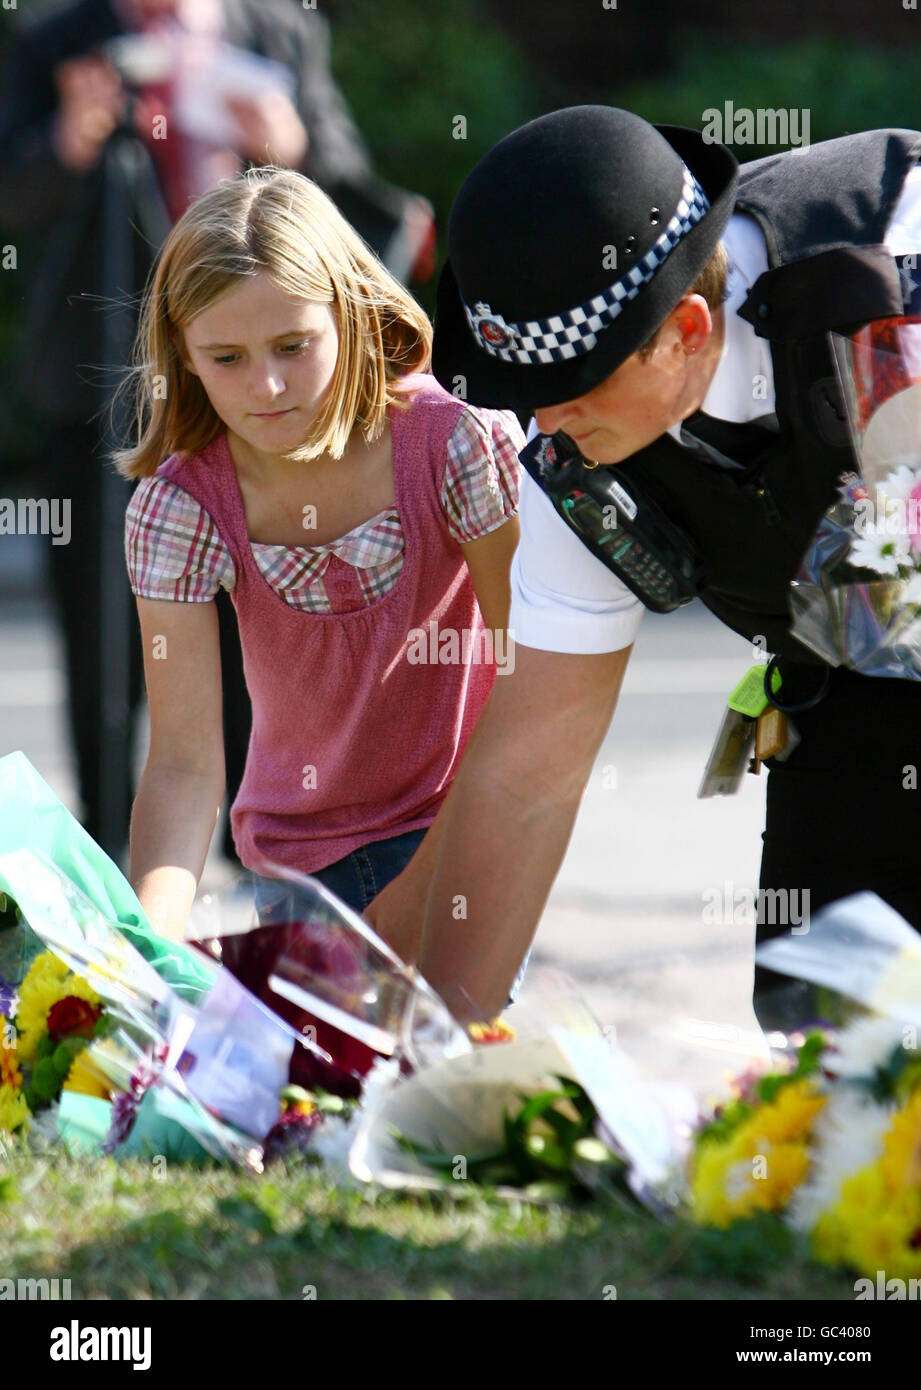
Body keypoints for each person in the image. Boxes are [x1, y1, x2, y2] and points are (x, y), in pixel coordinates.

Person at [362, 106, 921, 1031]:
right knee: (830, 1032)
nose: (543, 427)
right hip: (855, 669)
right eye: (524, 398)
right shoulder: (575, 448)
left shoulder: (886, 272)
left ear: (688, 327)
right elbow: (529, 768)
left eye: (571, 388)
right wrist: (436, 1055)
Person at [0, 0, 430, 866]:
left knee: (257, 600)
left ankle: (255, 826)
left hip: (246, 375)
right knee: (102, 614)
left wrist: (289, 145)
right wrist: (70, 144)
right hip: (101, 373)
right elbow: (11, 196)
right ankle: (111, 836)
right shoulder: (54, 37)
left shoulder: (275, 30)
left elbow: (342, 181)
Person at [117, 165, 522, 943]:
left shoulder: (452, 444)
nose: (265, 386)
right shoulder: (180, 507)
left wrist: (448, 871)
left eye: (292, 345)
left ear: (348, 311)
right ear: (184, 355)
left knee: (463, 1068)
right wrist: (148, 944)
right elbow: (182, 764)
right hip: (297, 871)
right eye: (226, 357)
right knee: (319, 1069)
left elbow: (527, 679)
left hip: (464, 837)